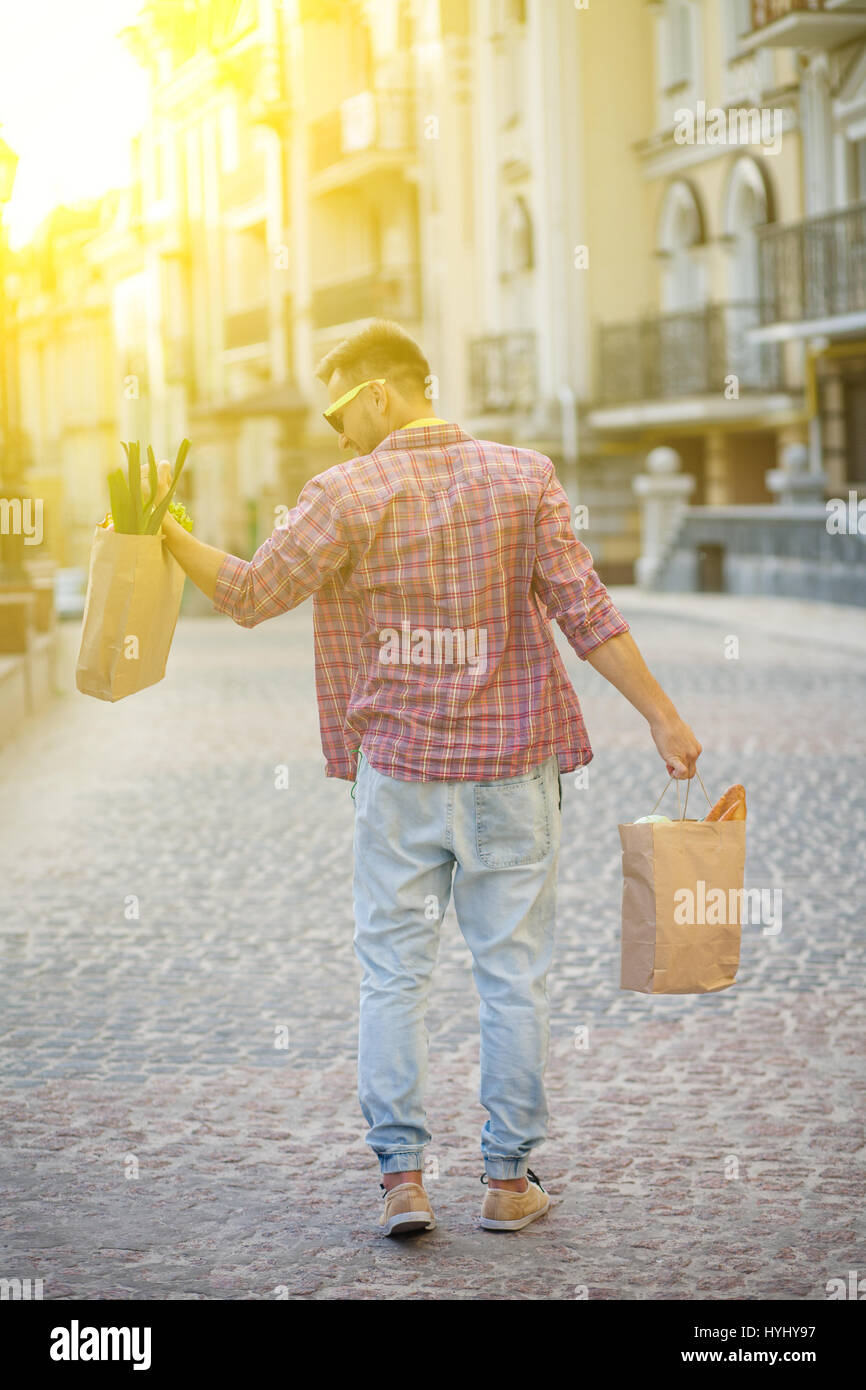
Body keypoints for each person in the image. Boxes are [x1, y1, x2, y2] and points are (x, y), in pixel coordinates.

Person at [151, 319, 702, 1238]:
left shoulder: (341, 495)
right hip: (513, 771)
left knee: (393, 976)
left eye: (337, 407)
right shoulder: (525, 476)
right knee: (514, 975)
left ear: (381, 393)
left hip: (400, 775)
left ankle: (403, 1180)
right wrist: (661, 713)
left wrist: (164, 533)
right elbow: (585, 609)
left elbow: (247, 596)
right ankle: (506, 1181)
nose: (333, 433)